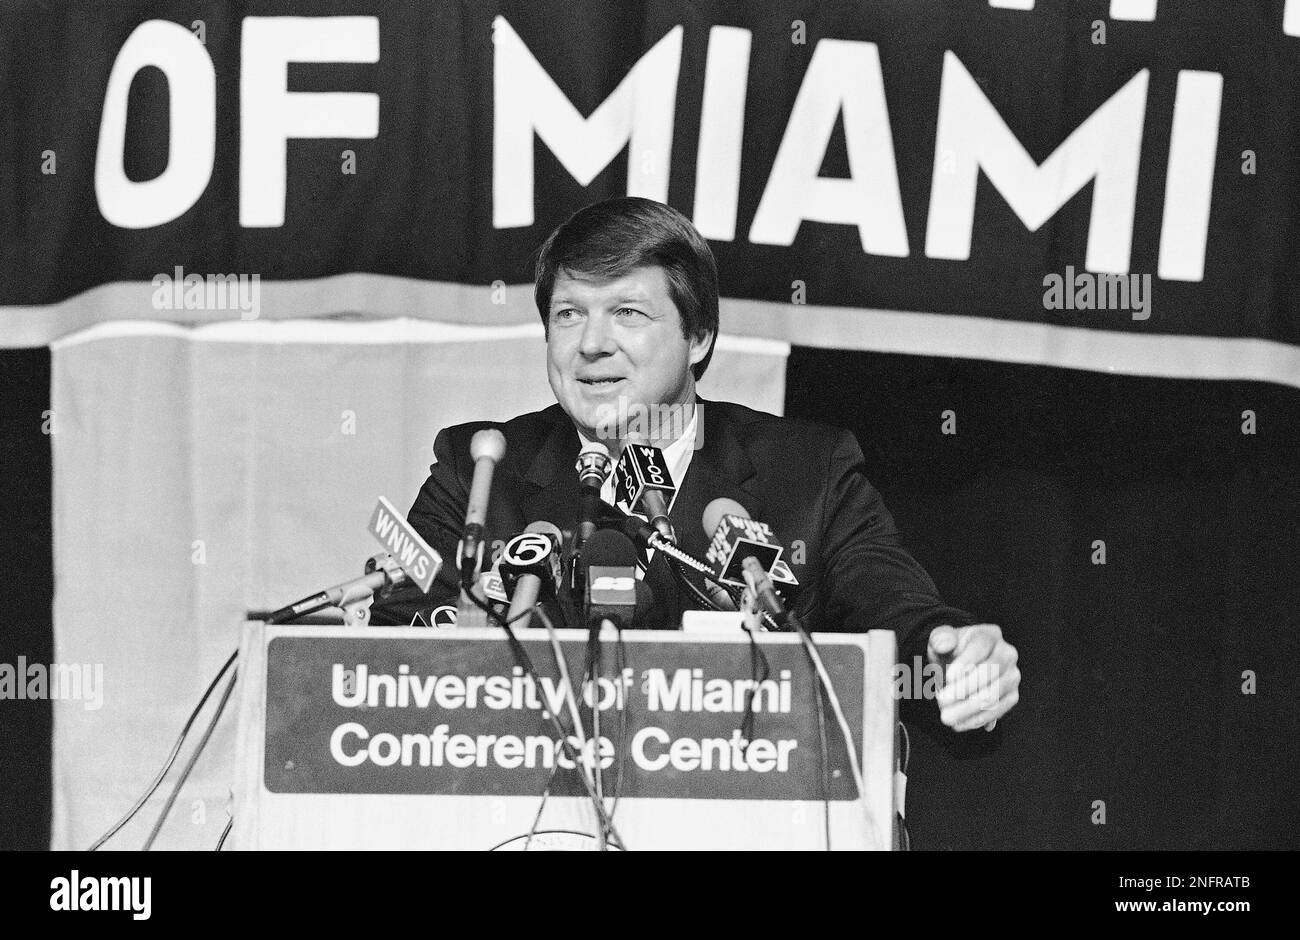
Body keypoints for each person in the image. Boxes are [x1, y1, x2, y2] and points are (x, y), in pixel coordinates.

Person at [371, 196, 1019, 733]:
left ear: (699, 335)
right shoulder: (481, 468)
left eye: (627, 313)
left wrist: (954, 655)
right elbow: (389, 647)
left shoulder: (807, 470)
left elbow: (897, 613)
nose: (591, 344)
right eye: (569, 315)